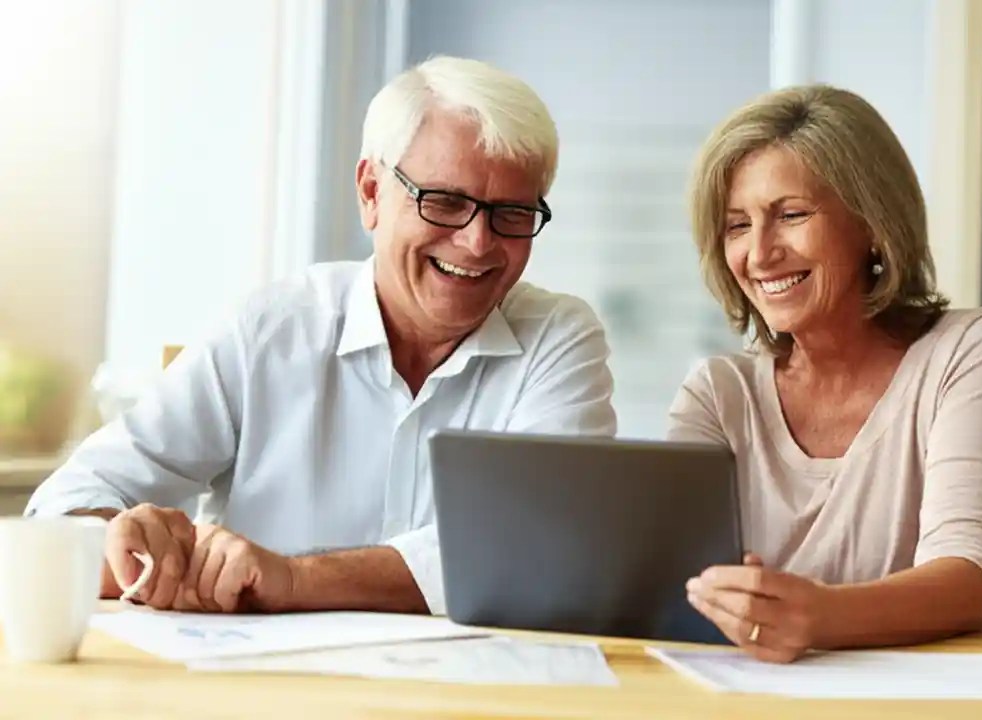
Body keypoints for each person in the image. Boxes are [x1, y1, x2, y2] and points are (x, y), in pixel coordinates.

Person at [25, 56, 616, 615]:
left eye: (511, 213)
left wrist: (294, 578)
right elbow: (62, 505)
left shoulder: (557, 339)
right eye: (444, 201)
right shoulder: (271, 328)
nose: (477, 243)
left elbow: (546, 548)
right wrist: (121, 540)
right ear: (370, 192)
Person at [671, 85, 982, 663]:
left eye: (790, 216)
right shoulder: (718, 395)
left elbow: (969, 581)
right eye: (738, 225)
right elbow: (672, 579)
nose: (760, 254)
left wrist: (817, 617)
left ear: (872, 222)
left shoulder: (970, 349)